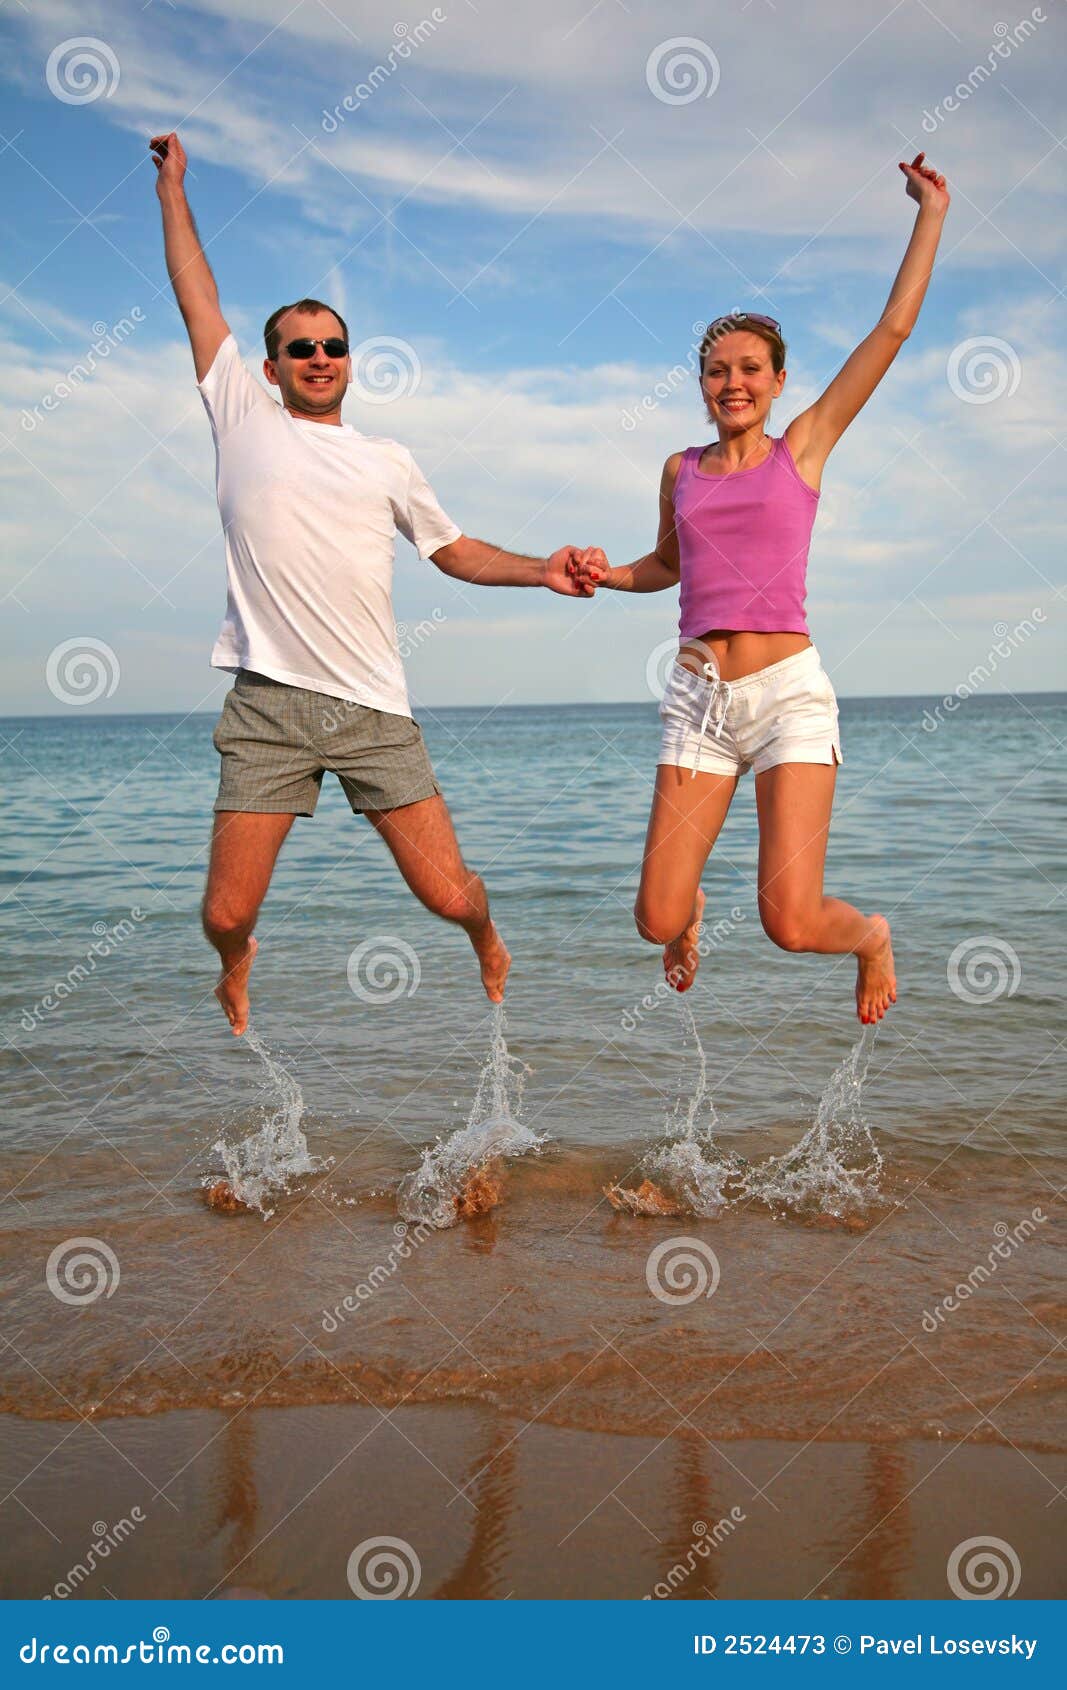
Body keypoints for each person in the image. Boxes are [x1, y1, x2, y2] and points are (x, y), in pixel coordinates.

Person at [150, 131, 598, 1036]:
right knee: (224, 912)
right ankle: (237, 963)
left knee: (448, 895)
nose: (318, 357)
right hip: (268, 704)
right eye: (300, 348)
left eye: (333, 346)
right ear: (270, 367)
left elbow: (451, 550)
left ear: (348, 360)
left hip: (371, 706)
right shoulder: (240, 415)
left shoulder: (386, 458)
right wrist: (173, 191)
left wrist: (540, 571)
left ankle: (486, 937)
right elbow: (194, 289)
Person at [571, 154, 950, 1024]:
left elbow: (891, 330)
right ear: (701, 384)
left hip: (786, 697)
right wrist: (605, 574)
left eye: (749, 369)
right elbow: (667, 566)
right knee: (655, 917)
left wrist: (927, 212)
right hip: (697, 696)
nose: (732, 383)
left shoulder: (802, 448)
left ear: (778, 382)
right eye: (716, 370)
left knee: (790, 923)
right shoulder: (679, 469)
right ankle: (688, 913)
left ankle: (870, 937)